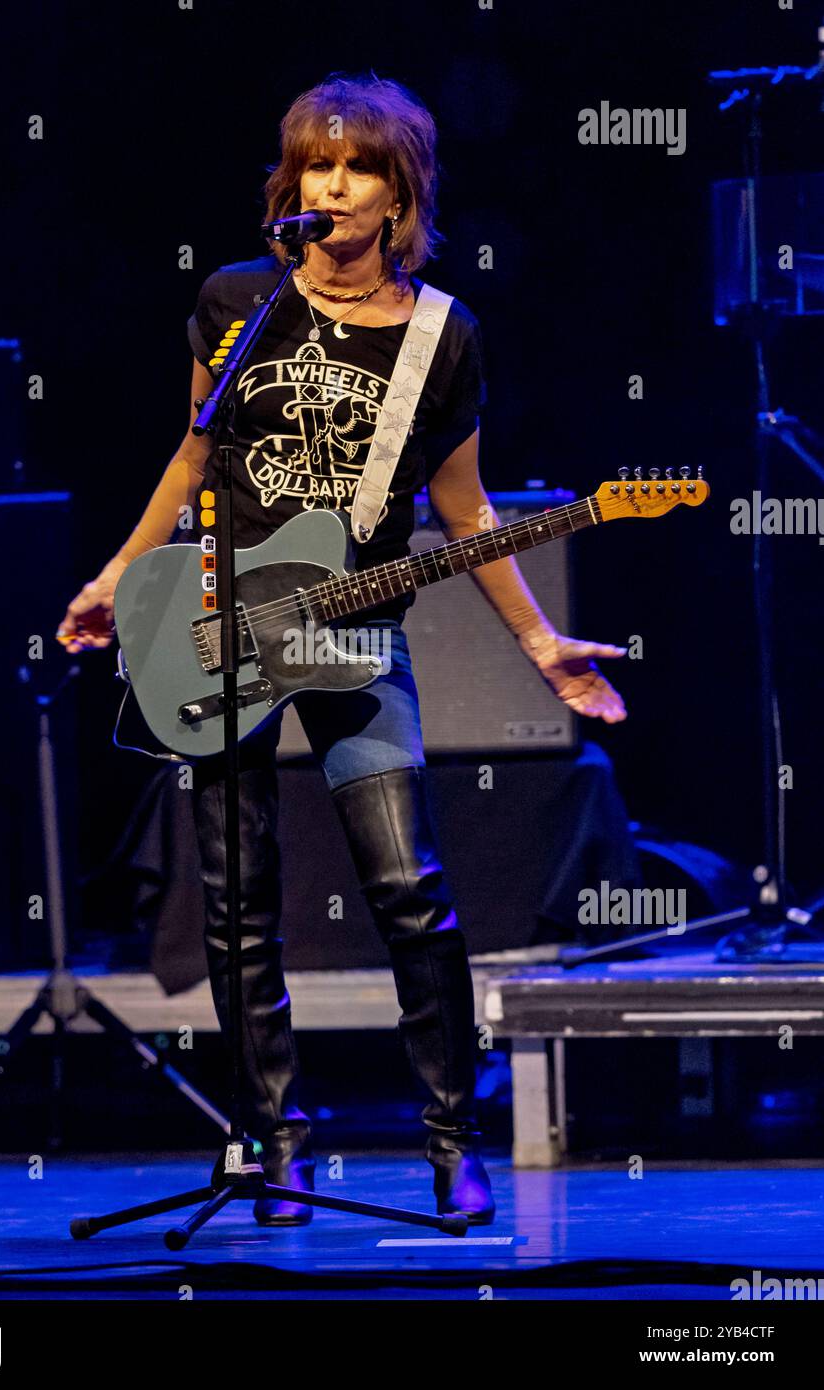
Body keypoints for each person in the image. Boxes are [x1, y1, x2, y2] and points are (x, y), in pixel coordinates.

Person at [59, 72, 627, 1227]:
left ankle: (447, 1141)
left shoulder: (440, 334)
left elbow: (463, 514)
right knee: (233, 899)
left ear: (396, 190)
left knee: (406, 887)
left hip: (355, 633)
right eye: (313, 162)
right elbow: (189, 458)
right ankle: (270, 1141)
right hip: (217, 624)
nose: (330, 182)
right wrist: (117, 576)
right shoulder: (234, 299)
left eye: (356, 165)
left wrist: (538, 646)